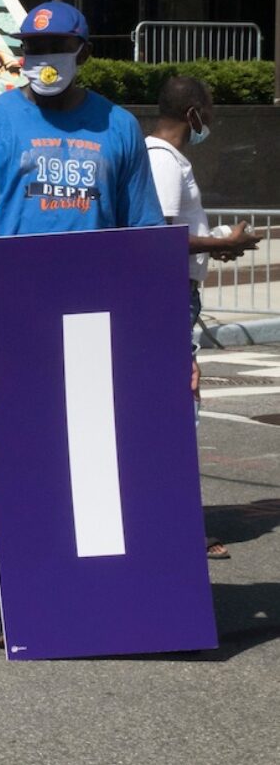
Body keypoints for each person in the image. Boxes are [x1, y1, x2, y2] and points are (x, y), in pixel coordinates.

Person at [0, 0, 163, 648]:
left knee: (86, 459)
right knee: (1, 465)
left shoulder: (117, 127)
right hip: (10, 325)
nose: (41, 60)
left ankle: (81, 579)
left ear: (83, 52)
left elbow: (140, 234)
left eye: (56, 46)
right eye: (31, 49)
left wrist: (156, 334)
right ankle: (4, 591)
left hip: (92, 323)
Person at [145, 74, 263, 559]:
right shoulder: (163, 162)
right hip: (169, 298)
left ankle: (174, 520)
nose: (210, 118)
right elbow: (161, 236)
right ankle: (176, 527)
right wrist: (225, 243)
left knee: (177, 407)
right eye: (208, 109)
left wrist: (219, 249)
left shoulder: (167, 159)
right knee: (178, 409)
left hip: (178, 295)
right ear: (192, 113)